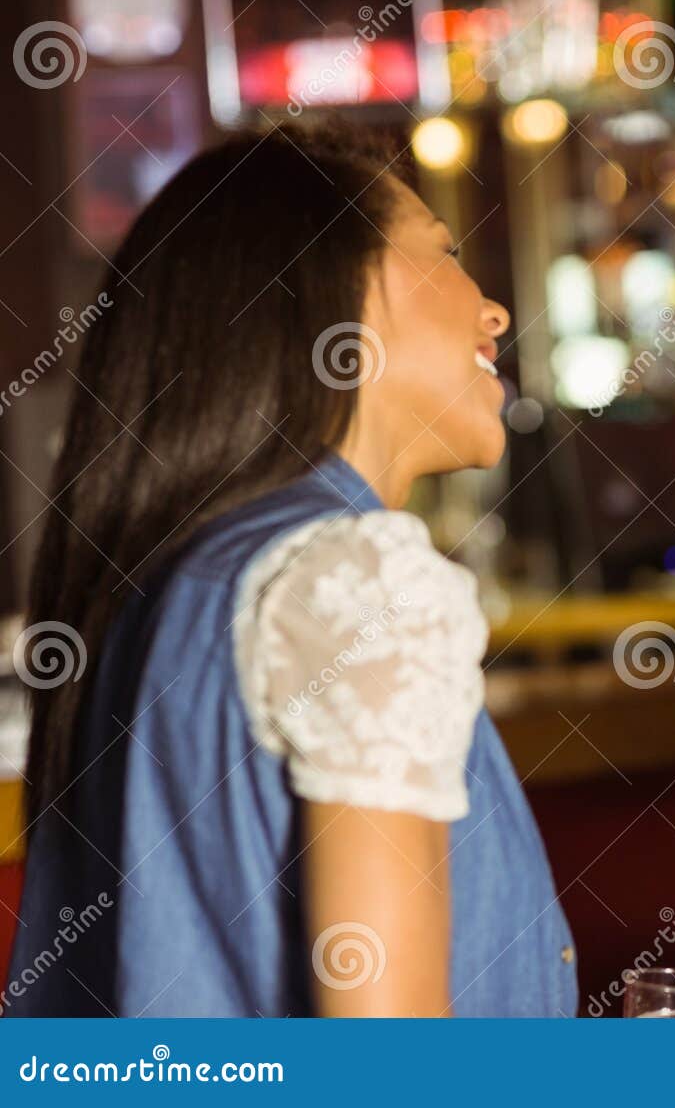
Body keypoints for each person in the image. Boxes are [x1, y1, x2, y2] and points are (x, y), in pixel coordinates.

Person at [4, 123, 576, 1016]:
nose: (493, 311)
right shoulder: (359, 576)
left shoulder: (164, 579)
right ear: (332, 290)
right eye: (445, 251)